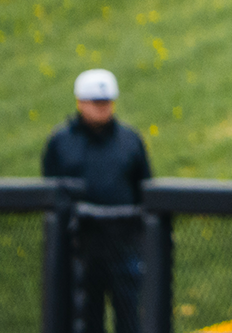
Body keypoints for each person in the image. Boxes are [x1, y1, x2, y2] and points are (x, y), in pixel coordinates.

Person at [41, 68, 153, 333]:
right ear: (80, 102)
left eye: (106, 102)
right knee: (85, 319)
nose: (102, 108)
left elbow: (144, 187)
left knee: (129, 318)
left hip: (124, 246)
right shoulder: (61, 142)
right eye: (95, 102)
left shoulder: (130, 140)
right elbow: (50, 190)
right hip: (80, 248)